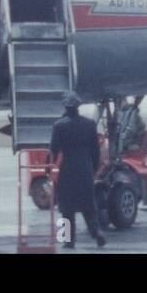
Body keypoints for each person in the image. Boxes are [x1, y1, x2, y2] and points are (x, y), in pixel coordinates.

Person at [49, 91, 107, 249]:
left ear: (65, 107)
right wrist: (93, 169)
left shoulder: (59, 126)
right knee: (88, 205)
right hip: (85, 168)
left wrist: (48, 169)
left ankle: (68, 241)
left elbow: (53, 150)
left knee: (66, 207)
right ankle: (97, 233)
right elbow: (95, 151)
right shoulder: (89, 125)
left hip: (67, 169)